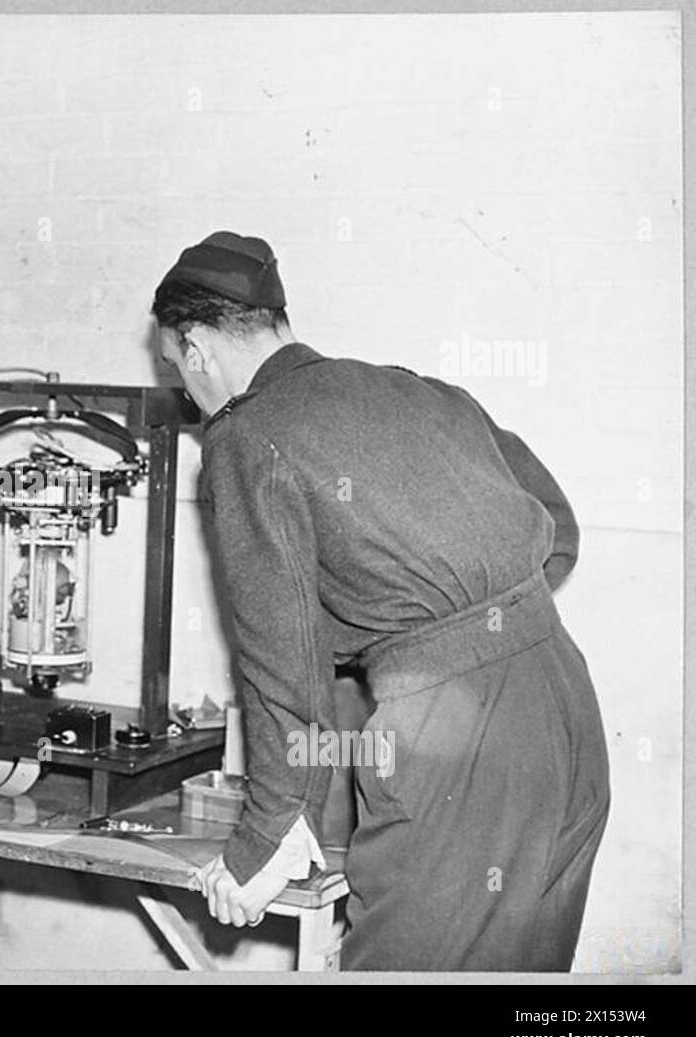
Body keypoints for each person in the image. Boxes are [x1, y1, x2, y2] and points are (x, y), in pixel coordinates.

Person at [155, 231, 609, 970]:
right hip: (566, 706)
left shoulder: (247, 439)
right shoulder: (412, 387)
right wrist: (458, 629)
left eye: (178, 370)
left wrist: (265, 839)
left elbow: (279, 658)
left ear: (197, 348)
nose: (189, 392)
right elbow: (556, 528)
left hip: (456, 748)